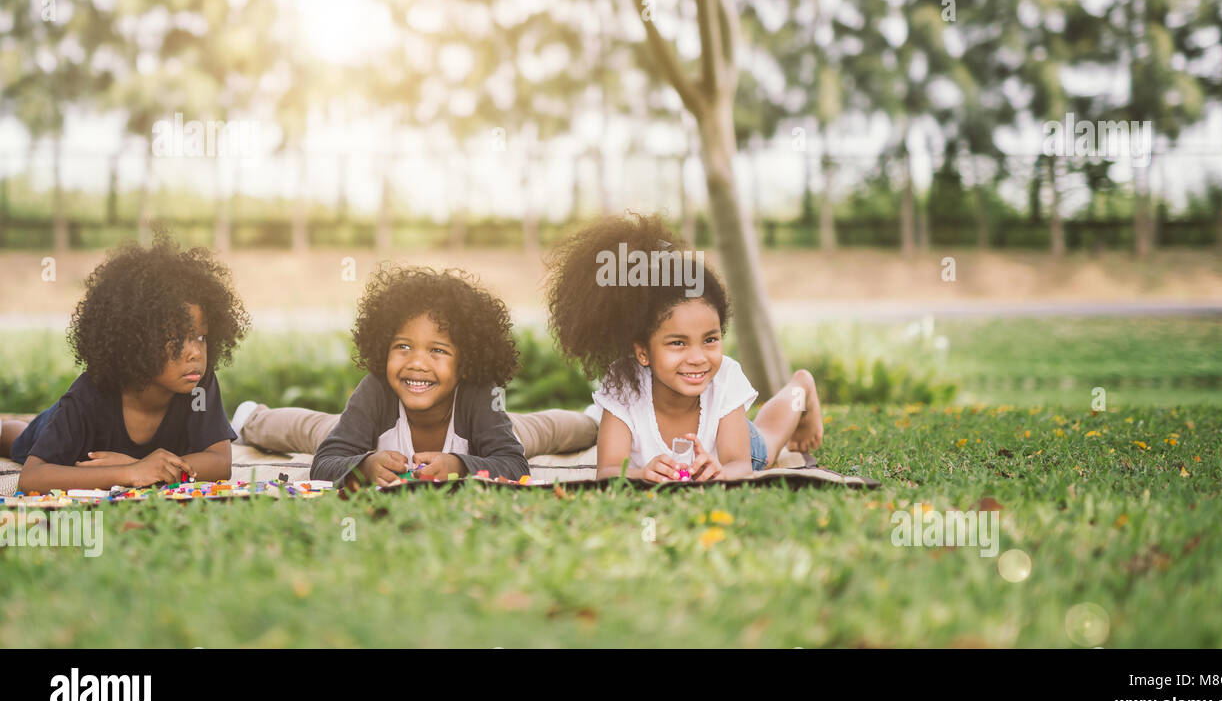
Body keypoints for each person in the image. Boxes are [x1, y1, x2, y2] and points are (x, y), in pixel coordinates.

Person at [234, 264, 595, 489]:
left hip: (495, 427)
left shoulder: (478, 394)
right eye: (403, 346)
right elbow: (325, 462)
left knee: (543, 431)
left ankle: (593, 419)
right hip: (360, 428)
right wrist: (362, 465)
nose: (417, 363)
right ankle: (251, 417)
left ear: (466, 364)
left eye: (437, 350)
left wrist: (460, 465)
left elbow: (514, 465)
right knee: (315, 430)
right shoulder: (376, 391)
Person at [544, 213, 824, 483]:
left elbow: (739, 465)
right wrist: (642, 474)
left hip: (732, 440)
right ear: (642, 352)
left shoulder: (723, 377)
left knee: (770, 438)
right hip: (708, 432)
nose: (698, 358)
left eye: (710, 339)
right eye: (678, 343)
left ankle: (802, 387)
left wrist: (721, 473)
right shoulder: (623, 387)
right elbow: (608, 470)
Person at [7, 234, 249, 493]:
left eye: (200, 337)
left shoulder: (199, 385)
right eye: (176, 339)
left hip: (140, 459)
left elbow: (220, 463)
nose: (196, 353)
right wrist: (131, 472)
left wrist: (144, 466)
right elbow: (32, 478)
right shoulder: (89, 395)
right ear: (134, 341)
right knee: (18, 439)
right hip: (55, 426)